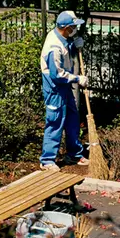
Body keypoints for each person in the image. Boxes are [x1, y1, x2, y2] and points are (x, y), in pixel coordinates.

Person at [39, 10, 89, 171]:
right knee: (55, 121)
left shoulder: (62, 37)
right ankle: (47, 160)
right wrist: (77, 78)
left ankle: (74, 153)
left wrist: (75, 47)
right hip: (55, 88)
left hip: (64, 86)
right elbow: (56, 74)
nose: (75, 29)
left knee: (72, 117)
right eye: (73, 26)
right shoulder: (53, 47)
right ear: (66, 27)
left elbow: (67, 51)